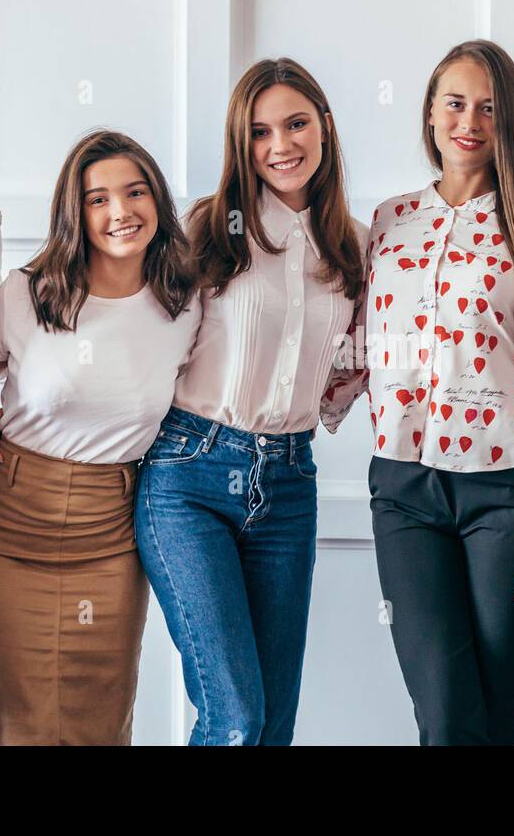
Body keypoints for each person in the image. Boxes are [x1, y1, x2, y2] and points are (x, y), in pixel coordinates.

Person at [333, 39, 514, 745]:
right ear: (429, 112)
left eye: (488, 108)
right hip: (404, 490)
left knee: (494, 703)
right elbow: (352, 349)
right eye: (455, 102)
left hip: (507, 492)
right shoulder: (389, 225)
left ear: (508, 121)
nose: (470, 120)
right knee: (449, 708)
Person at [135, 58, 366, 745]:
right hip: (189, 476)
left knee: (274, 727)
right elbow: (129, 335)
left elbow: (371, 353)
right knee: (235, 716)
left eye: (296, 124)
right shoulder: (207, 228)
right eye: (260, 132)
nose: (281, 145)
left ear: (324, 125)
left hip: (291, 481)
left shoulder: (354, 245)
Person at [0, 130, 198, 744]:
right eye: (98, 199)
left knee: (102, 713)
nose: (120, 212)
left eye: (135, 192)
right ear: (76, 212)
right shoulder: (26, 293)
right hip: (13, 527)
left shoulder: (187, 301)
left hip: (113, 533)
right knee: (22, 716)